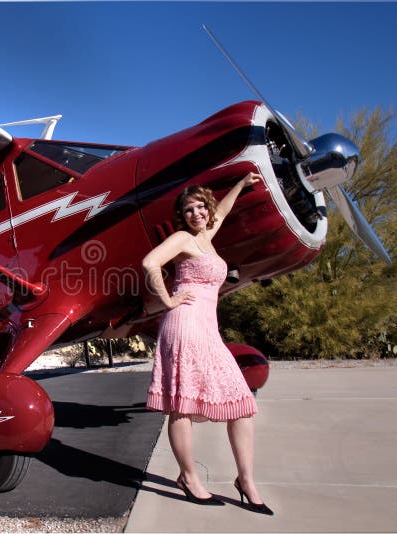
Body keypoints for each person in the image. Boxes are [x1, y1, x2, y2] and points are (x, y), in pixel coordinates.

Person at [141, 172, 273, 515]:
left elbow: (224, 212)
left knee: (242, 404)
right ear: (181, 216)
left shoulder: (206, 237)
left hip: (208, 330)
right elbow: (150, 262)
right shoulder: (184, 239)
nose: (196, 213)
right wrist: (168, 300)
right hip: (184, 326)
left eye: (200, 207)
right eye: (188, 209)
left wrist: (242, 185)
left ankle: (246, 481)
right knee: (182, 405)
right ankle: (189, 477)